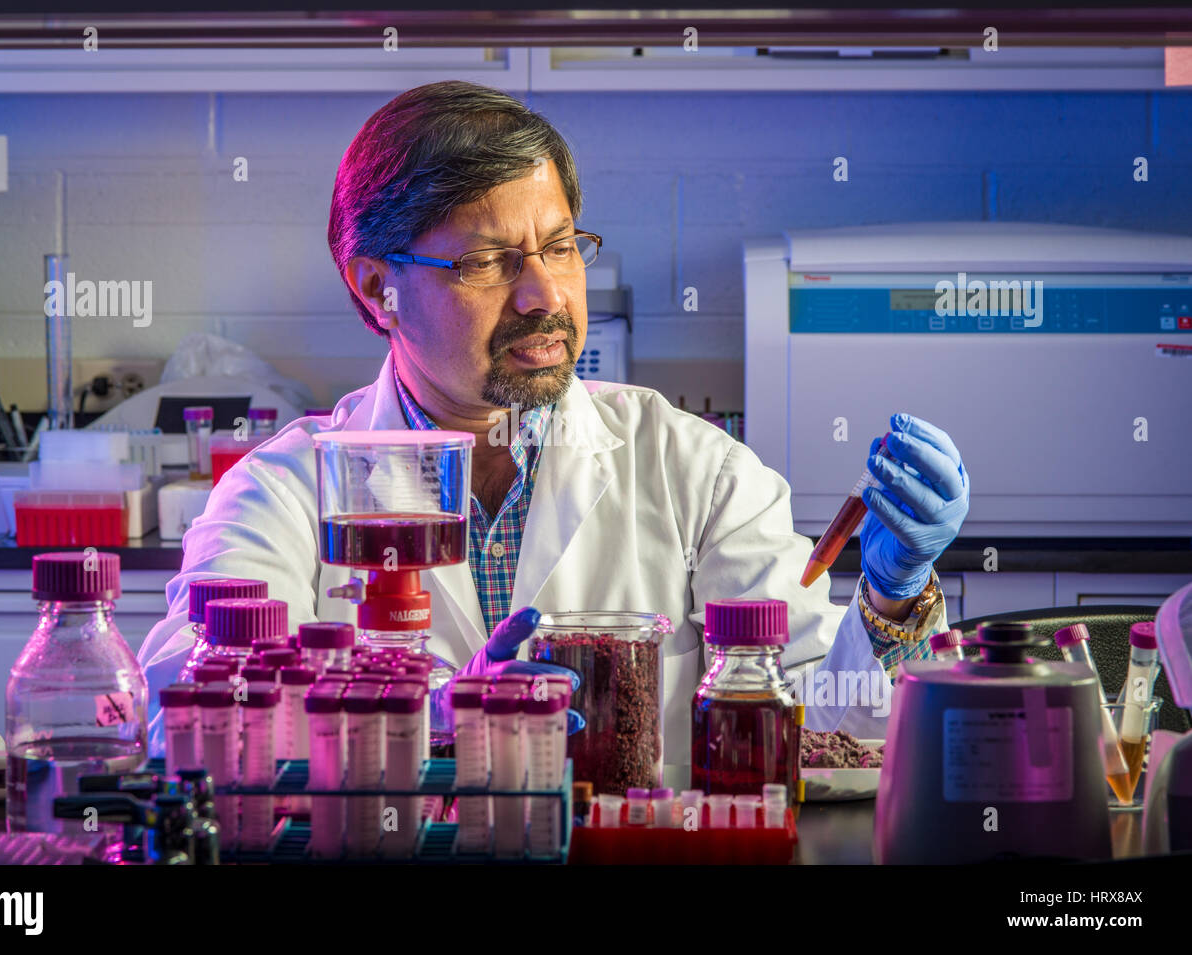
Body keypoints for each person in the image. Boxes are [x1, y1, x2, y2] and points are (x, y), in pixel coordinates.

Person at [137, 80, 970, 782]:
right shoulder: (283, 491)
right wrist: (445, 715)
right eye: (492, 262)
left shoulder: (693, 468)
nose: (546, 295)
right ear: (376, 285)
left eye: (562, 247)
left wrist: (892, 595)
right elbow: (187, 727)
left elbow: (827, 733)